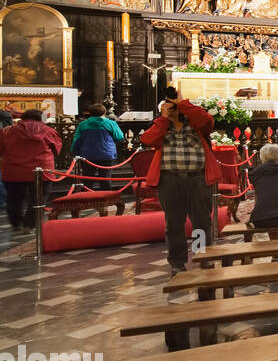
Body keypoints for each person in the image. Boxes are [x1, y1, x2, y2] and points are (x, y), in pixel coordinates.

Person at [139, 88, 219, 275]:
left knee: (201, 222)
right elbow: (147, 139)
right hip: (170, 180)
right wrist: (164, 118)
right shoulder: (162, 127)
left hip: (197, 179)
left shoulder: (197, 126)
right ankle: (177, 261)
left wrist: (182, 104)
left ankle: (202, 256)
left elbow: (207, 120)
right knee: (174, 224)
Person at [0, 109, 63, 233]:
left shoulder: (7, 132)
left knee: (14, 199)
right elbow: (57, 149)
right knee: (38, 199)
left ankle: (16, 224)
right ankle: (30, 225)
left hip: (14, 170)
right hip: (40, 171)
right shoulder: (49, 131)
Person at [70, 103, 125, 174]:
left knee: (88, 179)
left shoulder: (83, 124)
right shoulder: (111, 123)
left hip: (87, 154)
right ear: (104, 112)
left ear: (90, 113)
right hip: (106, 154)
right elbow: (119, 137)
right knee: (105, 179)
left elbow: (77, 140)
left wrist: (73, 151)